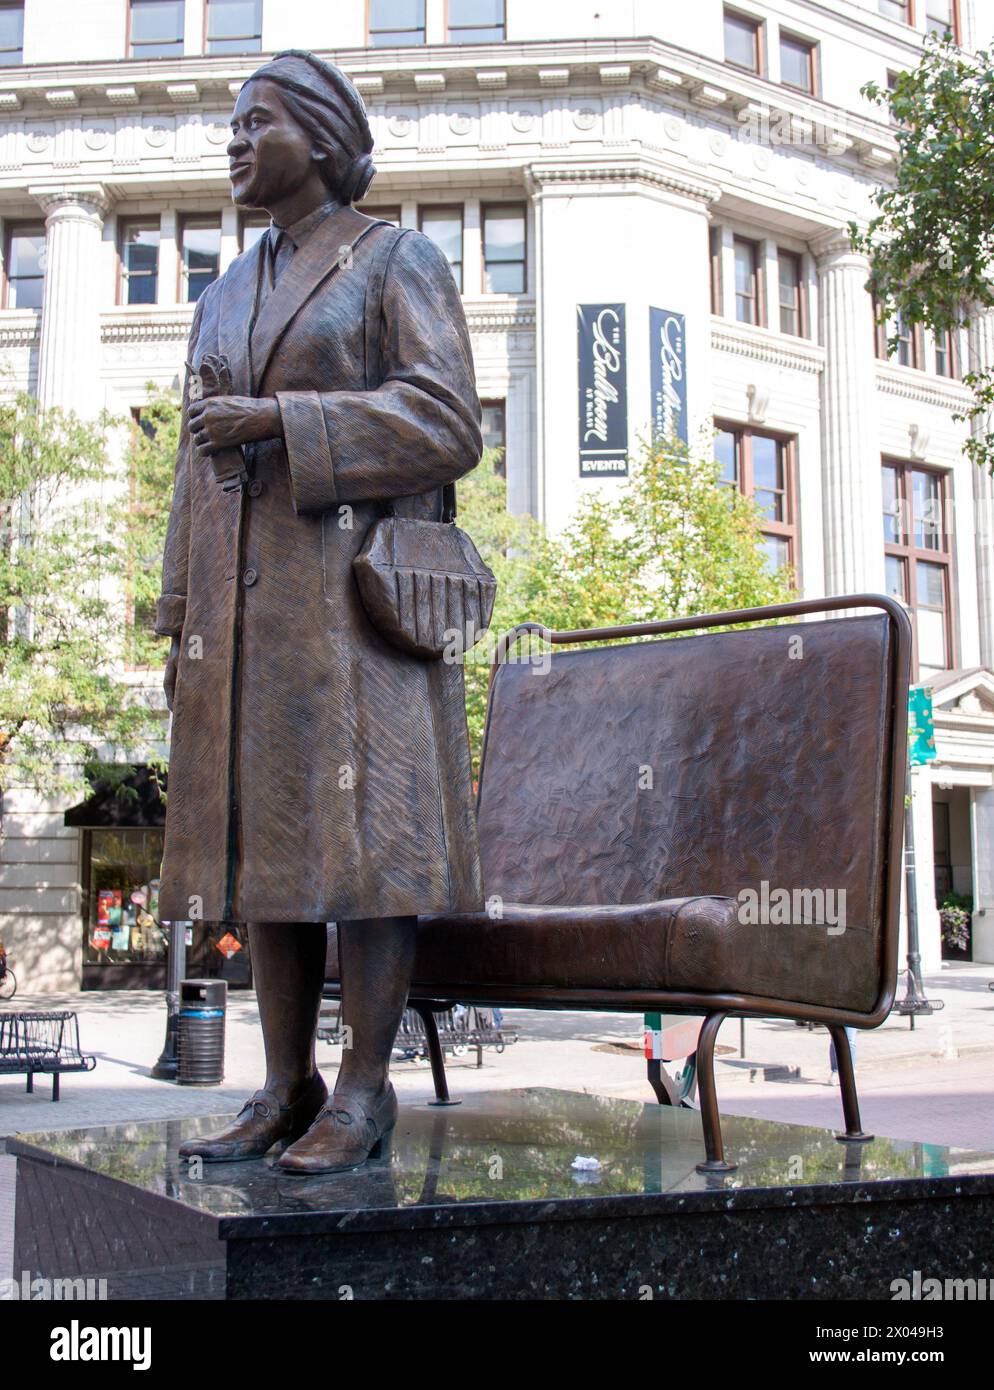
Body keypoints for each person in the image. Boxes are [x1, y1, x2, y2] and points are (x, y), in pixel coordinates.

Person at [161, 50, 484, 1173]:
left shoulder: (396, 258)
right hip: (243, 622)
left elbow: (447, 422)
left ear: (321, 135)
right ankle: (282, 1086)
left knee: (366, 852)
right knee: (270, 856)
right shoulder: (220, 290)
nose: (237, 142)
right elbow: (193, 464)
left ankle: (362, 1091)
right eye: (231, 125)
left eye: (258, 122)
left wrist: (284, 423)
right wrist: (176, 609)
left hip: (354, 612)